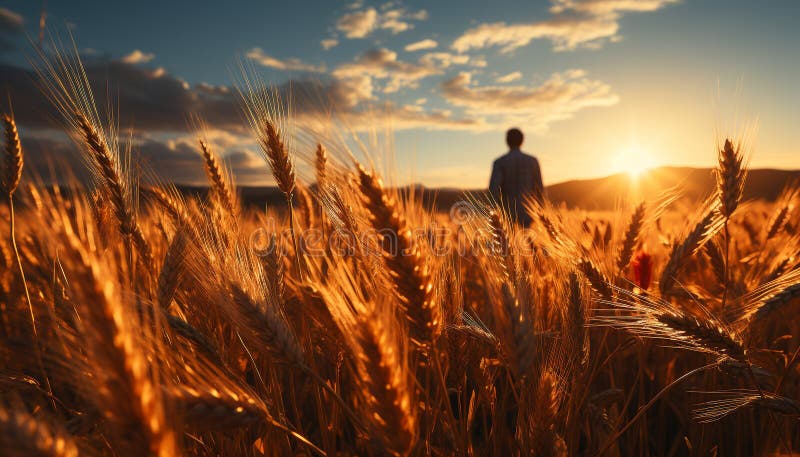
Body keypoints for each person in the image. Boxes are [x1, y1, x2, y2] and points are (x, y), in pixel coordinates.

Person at [489, 128, 544, 227]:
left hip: (507, 212)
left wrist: (493, 212)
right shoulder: (532, 161)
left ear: (507, 141)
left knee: (509, 241)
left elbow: (494, 189)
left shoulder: (499, 162)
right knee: (526, 240)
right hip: (528, 211)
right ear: (522, 141)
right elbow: (539, 188)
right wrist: (540, 211)